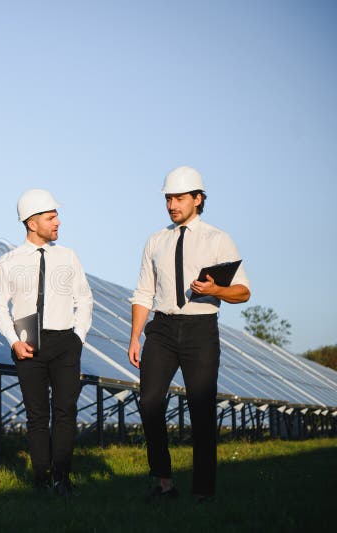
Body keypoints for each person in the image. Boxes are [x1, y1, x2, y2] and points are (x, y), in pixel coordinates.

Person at [128, 166, 250, 503]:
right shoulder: (156, 240)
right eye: (168, 198)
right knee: (150, 402)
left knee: (201, 408)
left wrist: (216, 289)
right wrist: (135, 336)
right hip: (162, 329)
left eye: (179, 198)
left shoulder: (218, 239)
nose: (171, 204)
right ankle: (164, 482)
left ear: (198, 199)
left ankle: (203, 492)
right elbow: (143, 293)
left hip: (201, 328)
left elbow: (243, 292)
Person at [0, 189, 93, 496]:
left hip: (65, 342)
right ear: (32, 222)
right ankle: (41, 478)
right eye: (51, 217)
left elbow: (85, 299)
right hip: (28, 343)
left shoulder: (68, 256)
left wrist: (78, 337)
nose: (58, 222)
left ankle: (62, 478)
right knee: (36, 415)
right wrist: (13, 342)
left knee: (66, 411)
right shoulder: (8, 262)